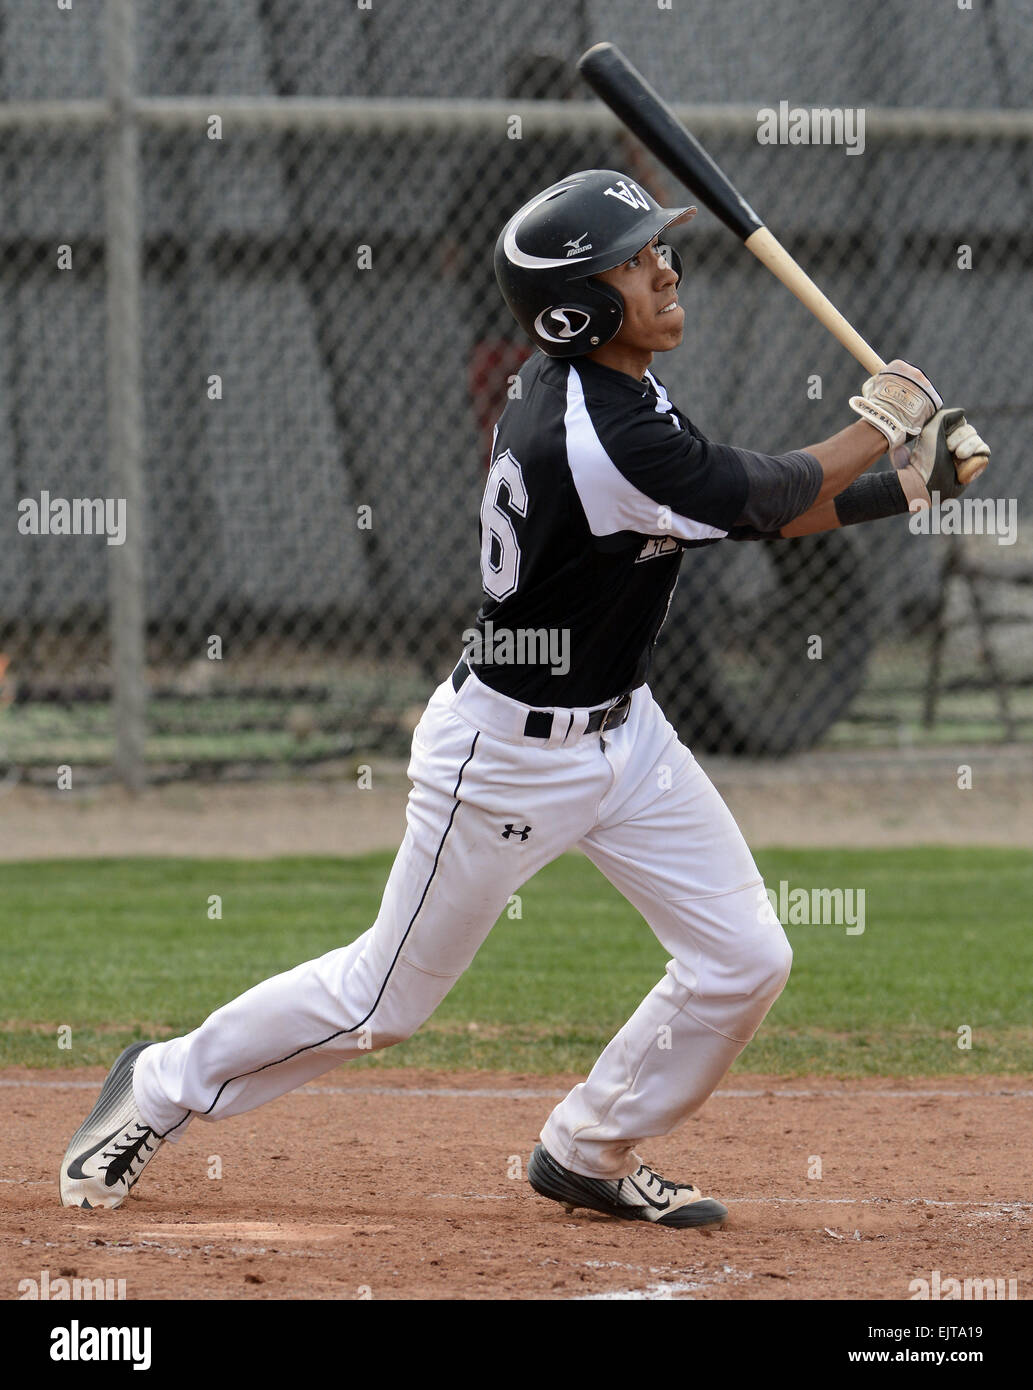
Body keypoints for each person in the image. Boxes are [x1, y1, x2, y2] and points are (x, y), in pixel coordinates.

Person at [60, 169, 988, 1228]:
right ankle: (162, 1082)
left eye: (658, 251)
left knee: (743, 958)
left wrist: (908, 485)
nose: (665, 269)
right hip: (505, 756)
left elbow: (742, 518)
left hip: (626, 736)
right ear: (578, 306)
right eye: (637, 262)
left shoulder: (622, 393)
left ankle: (588, 1147)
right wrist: (880, 422)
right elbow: (752, 492)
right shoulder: (597, 431)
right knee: (381, 1000)